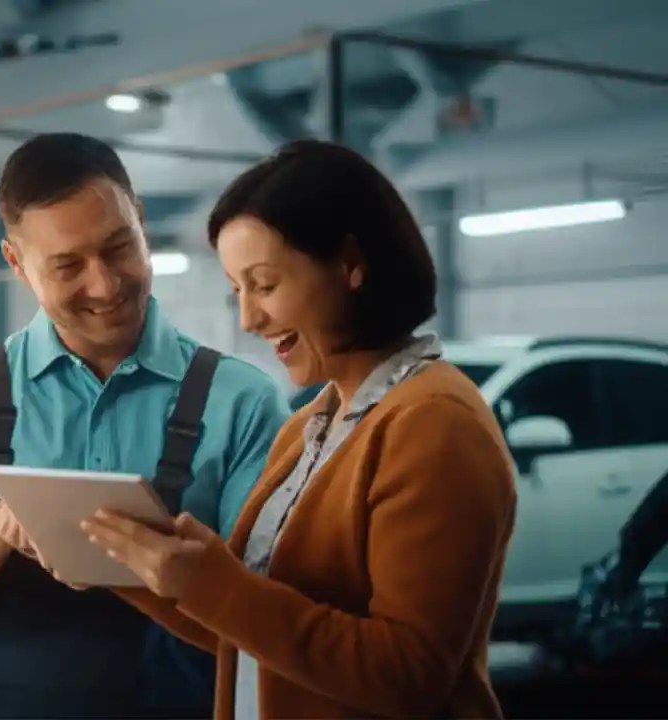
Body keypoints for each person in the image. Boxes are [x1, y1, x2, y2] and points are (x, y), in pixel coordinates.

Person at [84, 140, 518, 719]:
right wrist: (128, 566)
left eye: (264, 285)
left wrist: (216, 586)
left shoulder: (433, 424)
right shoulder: (309, 428)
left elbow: (408, 674)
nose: (248, 318)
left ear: (350, 264)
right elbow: (254, 637)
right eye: (237, 291)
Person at [0, 132, 289, 719]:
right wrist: (5, 520)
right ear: (17, 263)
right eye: (68, 265)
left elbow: (269, 612)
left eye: (120, 247)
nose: (105, 284)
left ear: (141, 222)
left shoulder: (241, 401)